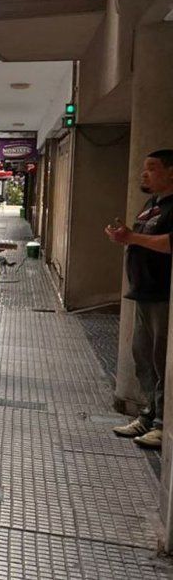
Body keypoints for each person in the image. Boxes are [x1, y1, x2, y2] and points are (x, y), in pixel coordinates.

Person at [106, 149, 173, 450]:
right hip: (144, 293)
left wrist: (132, 238)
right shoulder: (152, 205)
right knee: (143, 356)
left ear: (171, 172)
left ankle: (163, 424)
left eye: (152, 169)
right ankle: (150, 414)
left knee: (161, 360)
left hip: (162, 294)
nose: (144, 174)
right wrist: (124, 235)